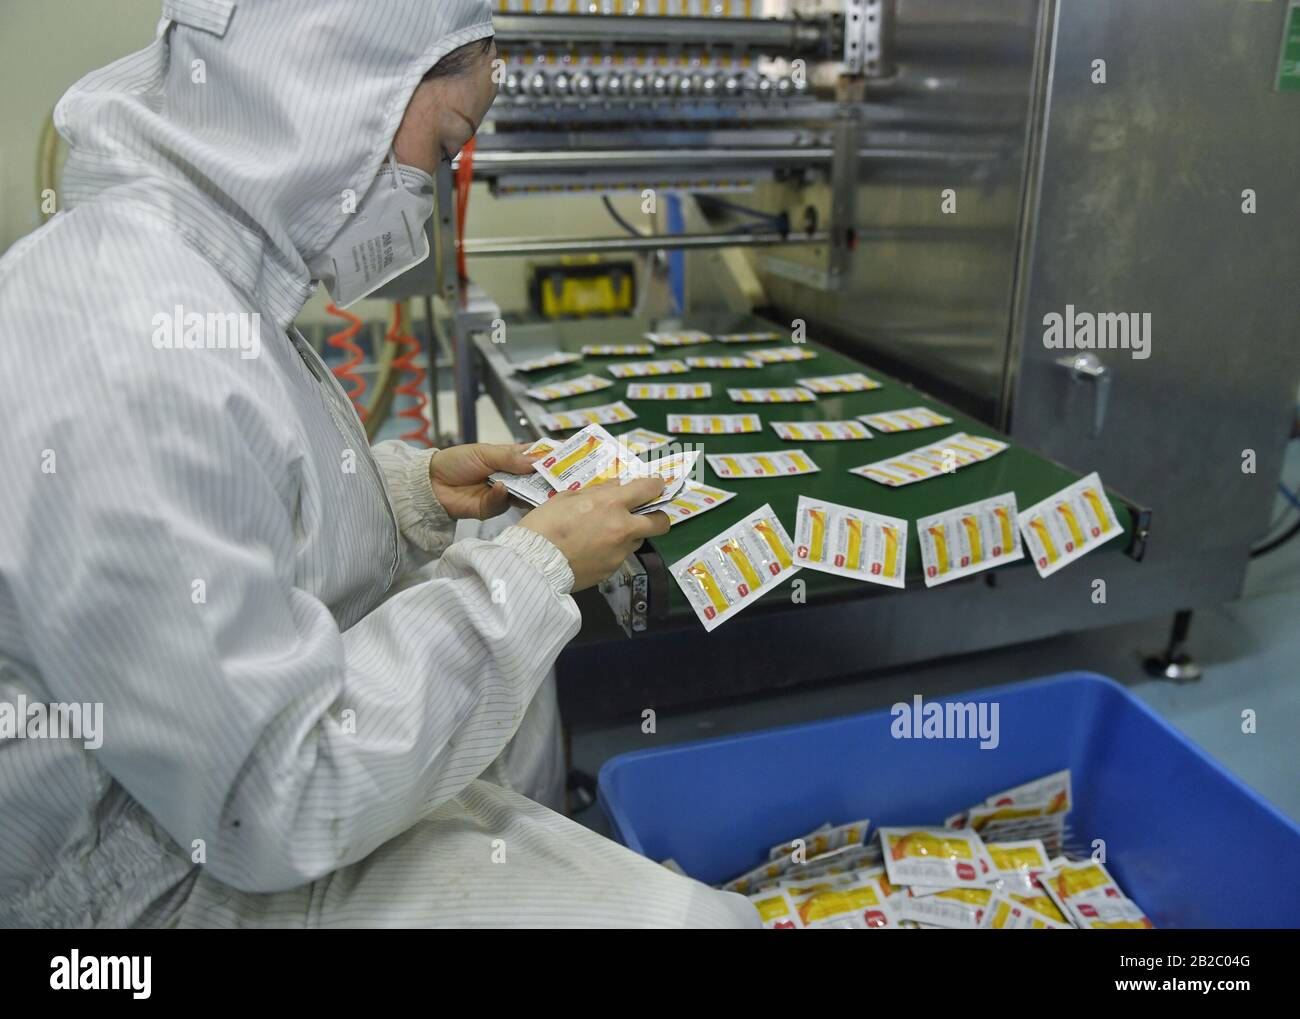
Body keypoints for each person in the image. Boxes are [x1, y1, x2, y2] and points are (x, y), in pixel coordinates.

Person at [0, 0, 757, 928]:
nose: (434, 193)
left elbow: (232, 525)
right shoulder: (129, 344)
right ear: (339, 91)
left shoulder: (187, 274)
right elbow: (275, 794)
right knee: (704, 925)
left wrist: (400, 496)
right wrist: (536, 567)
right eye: (444, 148)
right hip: (159, 893)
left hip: (192, 813)